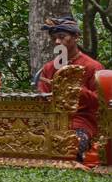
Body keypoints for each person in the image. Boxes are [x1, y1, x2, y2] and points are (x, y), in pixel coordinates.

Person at [35, 15, 105, 160]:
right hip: (51, 121)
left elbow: (100, 102)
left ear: (76, 37)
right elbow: (42, 99)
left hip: (81, 121)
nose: (57, 41)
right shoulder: (48, 68)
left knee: (72, 146)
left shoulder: (92, 66)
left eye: (62, 37)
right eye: (54, 38)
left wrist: (76, 90)